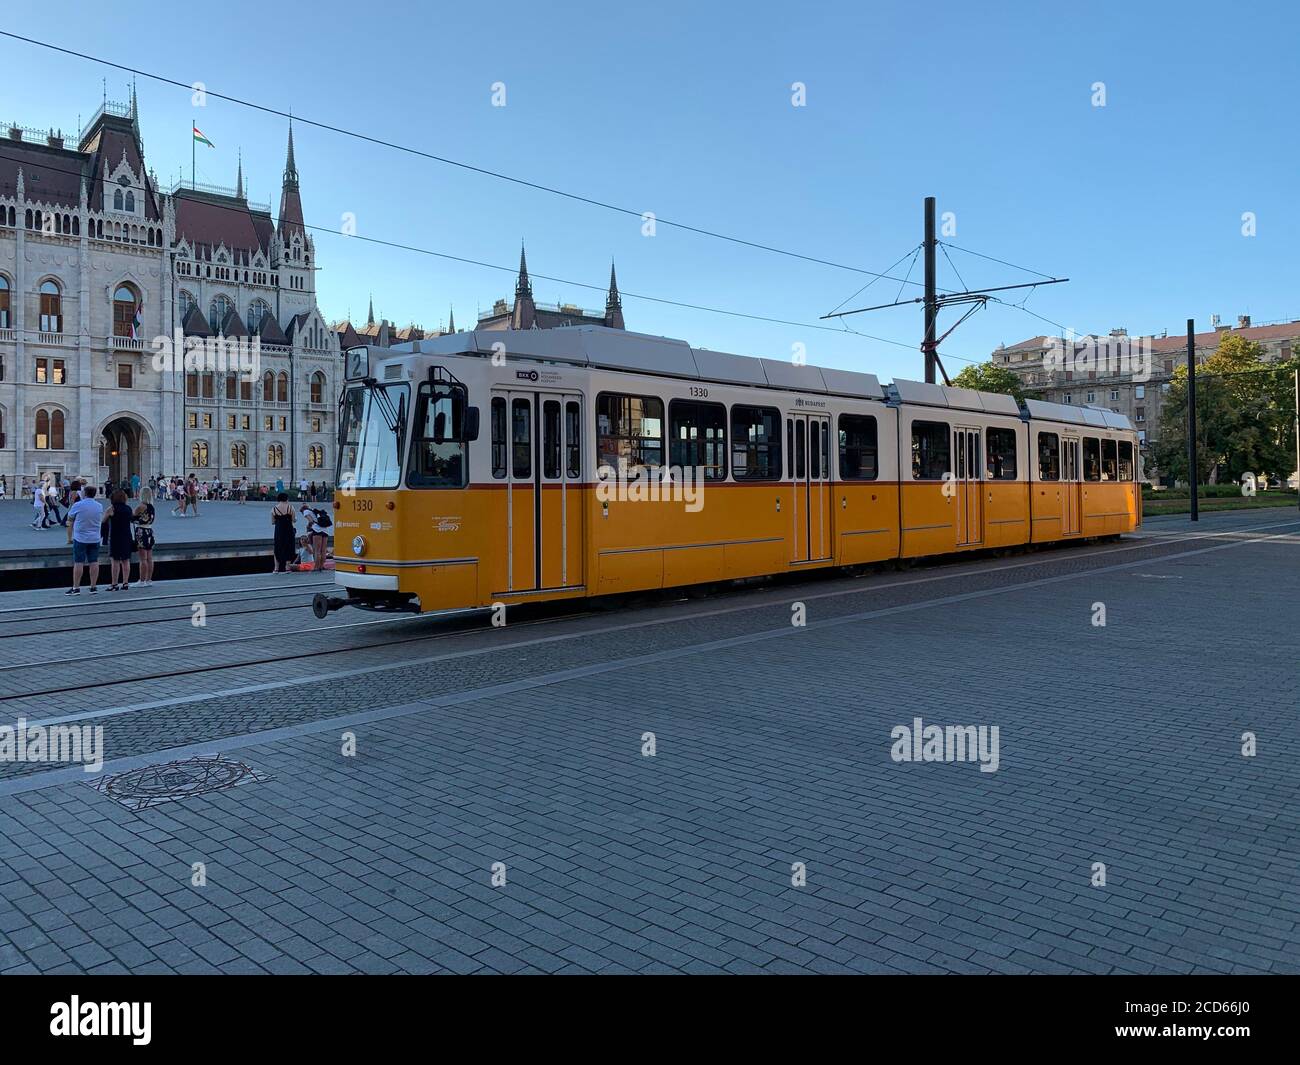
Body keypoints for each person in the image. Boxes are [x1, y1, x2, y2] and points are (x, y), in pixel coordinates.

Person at [66, 485, 105, 594]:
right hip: (95, 538)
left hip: (80, 538)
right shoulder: (99, 506)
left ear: (84, 494)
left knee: (79, 562)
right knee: (94, 561)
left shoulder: (78, 505)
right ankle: (93, 587)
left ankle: (76, 587)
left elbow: (70, 517)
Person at [105, 489, 134, 591]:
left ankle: (114, 584)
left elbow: (103, 520)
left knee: (115, 561)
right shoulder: (128, 509)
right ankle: (125, 583)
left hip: (115, 536)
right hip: (126, 536)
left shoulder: (112, 509)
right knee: (126, 560)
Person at [133, 488, 157, 586]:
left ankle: (142, 580)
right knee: (150, 558)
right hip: (149, 531)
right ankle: (149, 579)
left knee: (143, 559)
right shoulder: (151, 507)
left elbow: (132, 516)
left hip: (141, 531)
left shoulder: (141, 506)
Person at [300, 504, 331, 572]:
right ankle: (322, 566)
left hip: (317, 530)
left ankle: (316, 567)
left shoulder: (306, 512)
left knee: (317, 550)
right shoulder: (313, 511)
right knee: (323, 550)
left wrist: (309, 526)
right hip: (325, 530)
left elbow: (311, 521)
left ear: (302, 510)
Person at [271, 493, 296, 573]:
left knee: (277, 546)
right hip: (289, 529)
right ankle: (287, 567)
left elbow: (272, 522)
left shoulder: (274, 509)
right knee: (289, 546)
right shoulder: (290, 507)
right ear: (287, 499)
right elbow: (293, 519)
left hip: (279, 530)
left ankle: (276, 568)